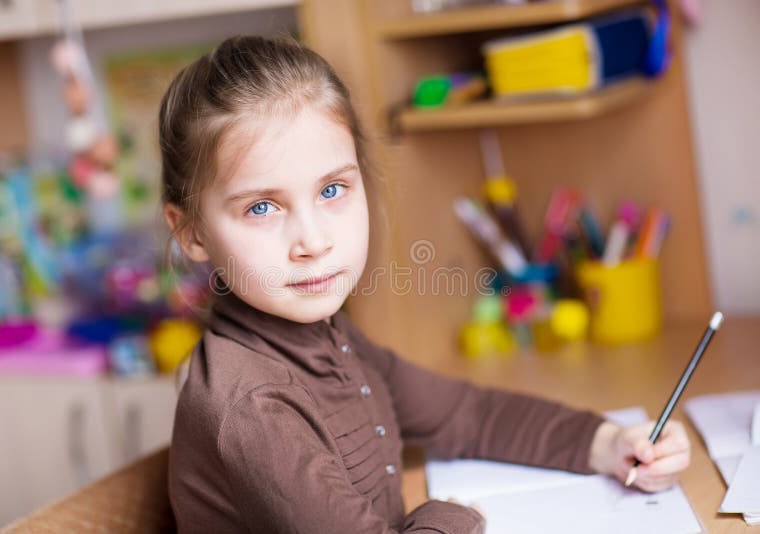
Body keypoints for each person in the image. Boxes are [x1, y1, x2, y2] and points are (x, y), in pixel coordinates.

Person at [160, 35, 691, 533]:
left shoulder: (325, 335)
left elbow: (466, 415)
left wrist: (608, 443)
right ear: (192, 233)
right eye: (261, 207)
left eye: (332, 190)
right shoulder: (255, 408)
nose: (314, 241)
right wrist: (452, 517)